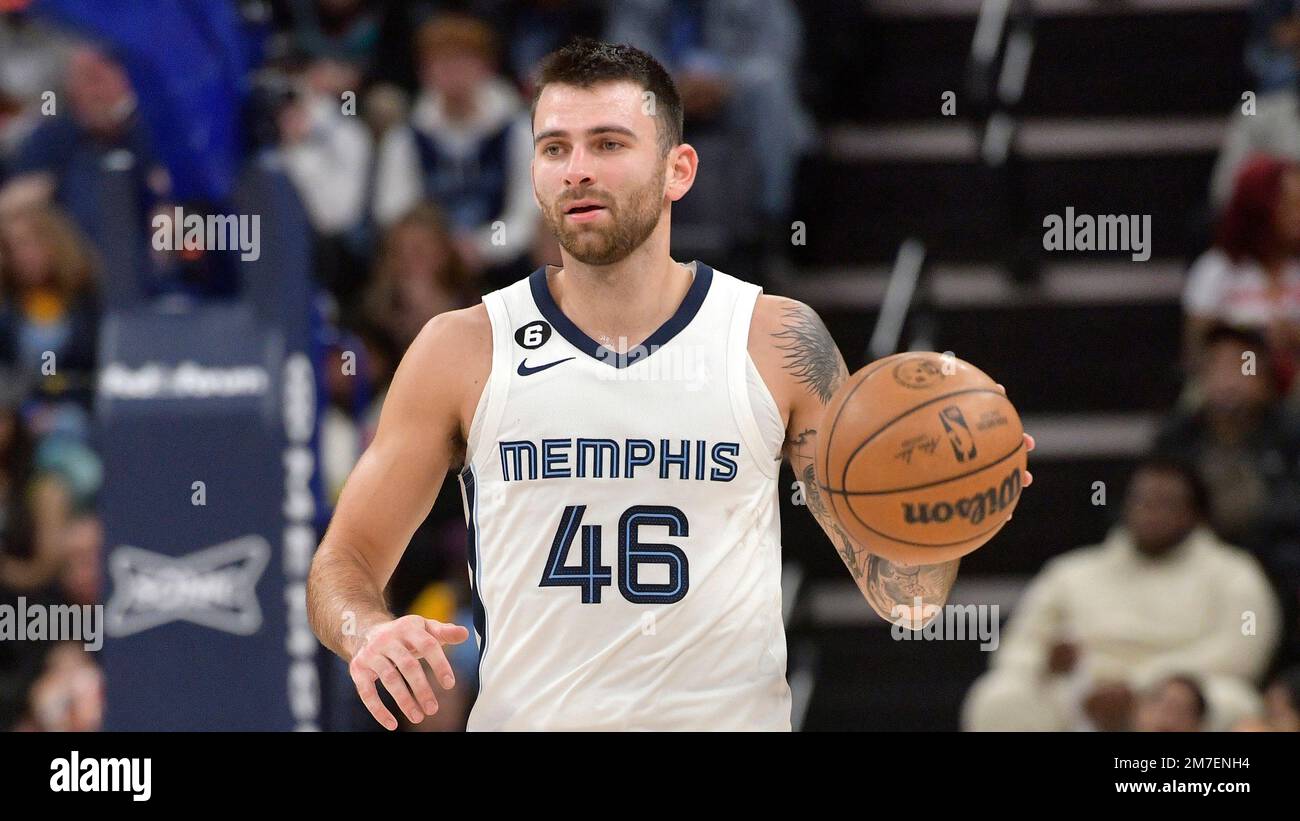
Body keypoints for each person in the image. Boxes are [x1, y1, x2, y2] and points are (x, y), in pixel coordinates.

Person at [307, 39, 1034, 731]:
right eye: (554, 148)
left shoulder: (775, 339)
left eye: (609, 143)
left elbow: (903, 597)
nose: (577, 169)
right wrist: (365, 628)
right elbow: (342, 566)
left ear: (679, 169)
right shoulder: (462, 347)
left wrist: (949, 501)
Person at [962, 456, 1280, 732]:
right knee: (999, 697)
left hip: (1174, 690)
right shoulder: (1072, 572)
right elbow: (1016, 649)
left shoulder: (1234, 572)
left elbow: (1241, 653)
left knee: (1233, 703)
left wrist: (1143, 685)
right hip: (1082, 696)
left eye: (1166, 503)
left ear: (1194, 513)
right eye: (1142, 501)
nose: (1151, 513)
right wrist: (1047, 663)